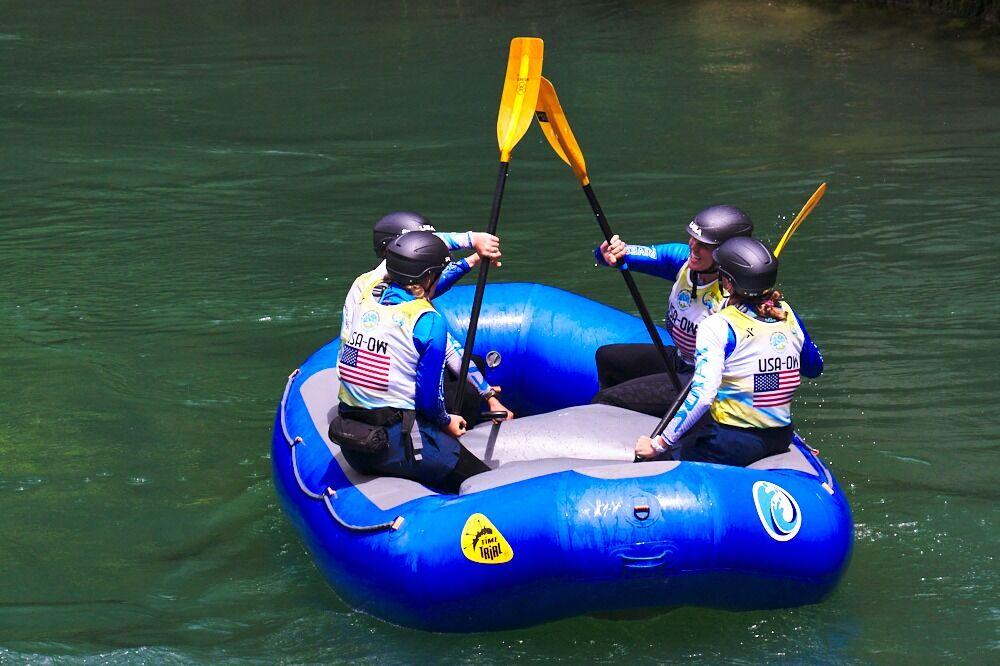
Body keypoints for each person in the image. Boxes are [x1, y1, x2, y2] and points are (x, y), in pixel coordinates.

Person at [634, 237, 823, 467]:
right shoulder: (787, 314)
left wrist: (658, 445)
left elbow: (703, 396)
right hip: (781, 437)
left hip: (730, 443)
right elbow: (814, 367)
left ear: (728, 283)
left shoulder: (717, 325)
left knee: (652, 462)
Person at [333, 231, 491, 492]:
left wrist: (471, 259)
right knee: (485, 481)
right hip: (393, 445)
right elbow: (429, 400)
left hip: (352, 443)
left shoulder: (365, 296)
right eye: (438, 273)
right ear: (428, 277)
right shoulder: (427, 321)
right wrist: (447, 422)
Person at [344, 211, 514, 424]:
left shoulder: (375, 286)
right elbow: (446, 360)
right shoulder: (422, 315)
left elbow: (434, 281)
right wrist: (472, 239)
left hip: (359, 393)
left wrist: (474, 258)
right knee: (466, 392)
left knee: (472, 367)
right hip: (391, 405)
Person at [590, 205, 753, 416]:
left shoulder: (740, 296)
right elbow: (614, 256)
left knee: (607, 399)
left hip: (705, 382)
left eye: (704, 244)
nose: (693, 247)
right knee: (607, 357)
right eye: (693, 238)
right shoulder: (681, 259)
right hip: (680, 360)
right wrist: (608, 253)